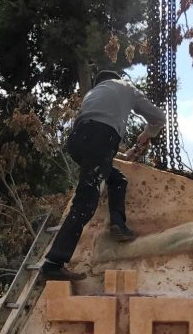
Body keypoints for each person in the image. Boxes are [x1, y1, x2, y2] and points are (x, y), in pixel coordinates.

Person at [42, 70, 166, 281]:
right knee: (85, 203)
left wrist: (126, 154)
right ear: (115, 78)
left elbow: (97, 150)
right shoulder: (125, 86)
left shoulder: (93, 95)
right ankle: (54, 263)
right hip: (101, 139)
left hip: (78, 141)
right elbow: (159, 117)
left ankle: (118, 224)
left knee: (117, 179)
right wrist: (147, 134)